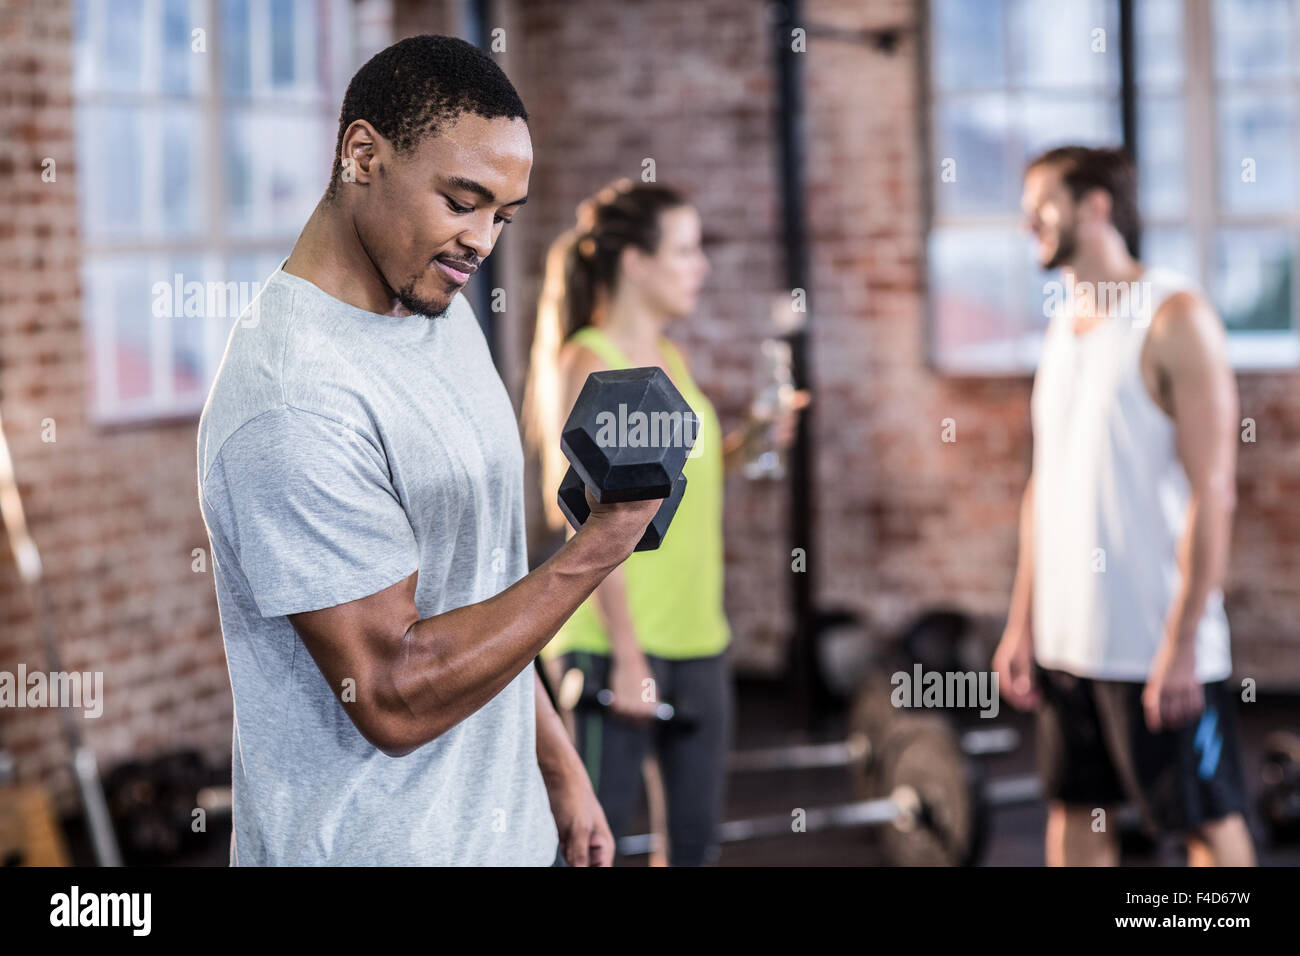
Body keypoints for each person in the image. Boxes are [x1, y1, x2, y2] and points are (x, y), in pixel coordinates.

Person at [196, 35, 660, 866]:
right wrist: (596, 550)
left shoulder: (434, 304)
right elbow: (394, 696)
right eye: (461, 201)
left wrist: (556, 767)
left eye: (502, 217)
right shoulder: (294, 400)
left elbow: (476, 587)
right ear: (362, 155)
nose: (482, 243)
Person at [523, 180, 806, 865]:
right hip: (613, 645)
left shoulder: (670, 360)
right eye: (685, 250)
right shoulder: (589, 359)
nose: (702, 265)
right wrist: (627, 654)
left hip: (698, 637)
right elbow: (585, 520)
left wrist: (753, 441)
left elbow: (677, 484)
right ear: (635, 263)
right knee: (593, 847)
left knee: (694, 847)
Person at [993, 145, 1256, 867]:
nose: (1028, 223)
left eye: (1042, 204)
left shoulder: (1174, 317)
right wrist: (1023, 623)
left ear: (1096, 206)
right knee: (1078, 818)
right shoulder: (1062, 324)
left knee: (1207, 821)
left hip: (1155, 644)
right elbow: (1043, 486)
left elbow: (1215, 489)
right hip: (1068, 643)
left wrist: (1182, 641)